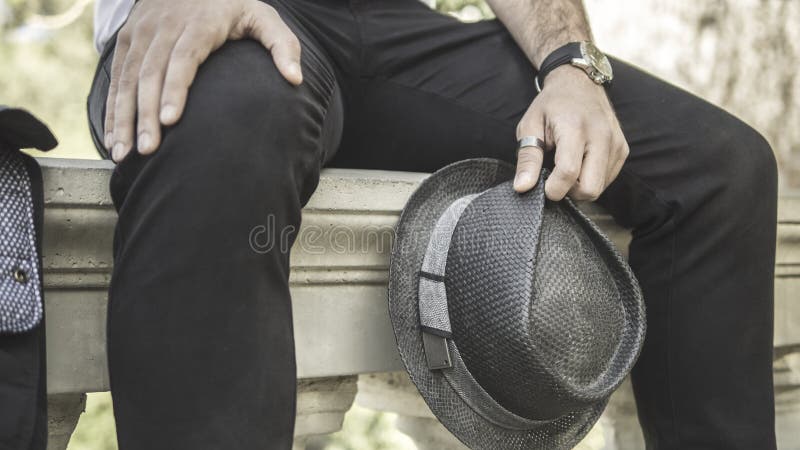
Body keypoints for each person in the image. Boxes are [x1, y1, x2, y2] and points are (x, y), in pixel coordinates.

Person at [85, 0, 778, 448]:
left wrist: (571, 66)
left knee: (719, 169)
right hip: (219, 16)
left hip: (400, 33)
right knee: (229, 125)